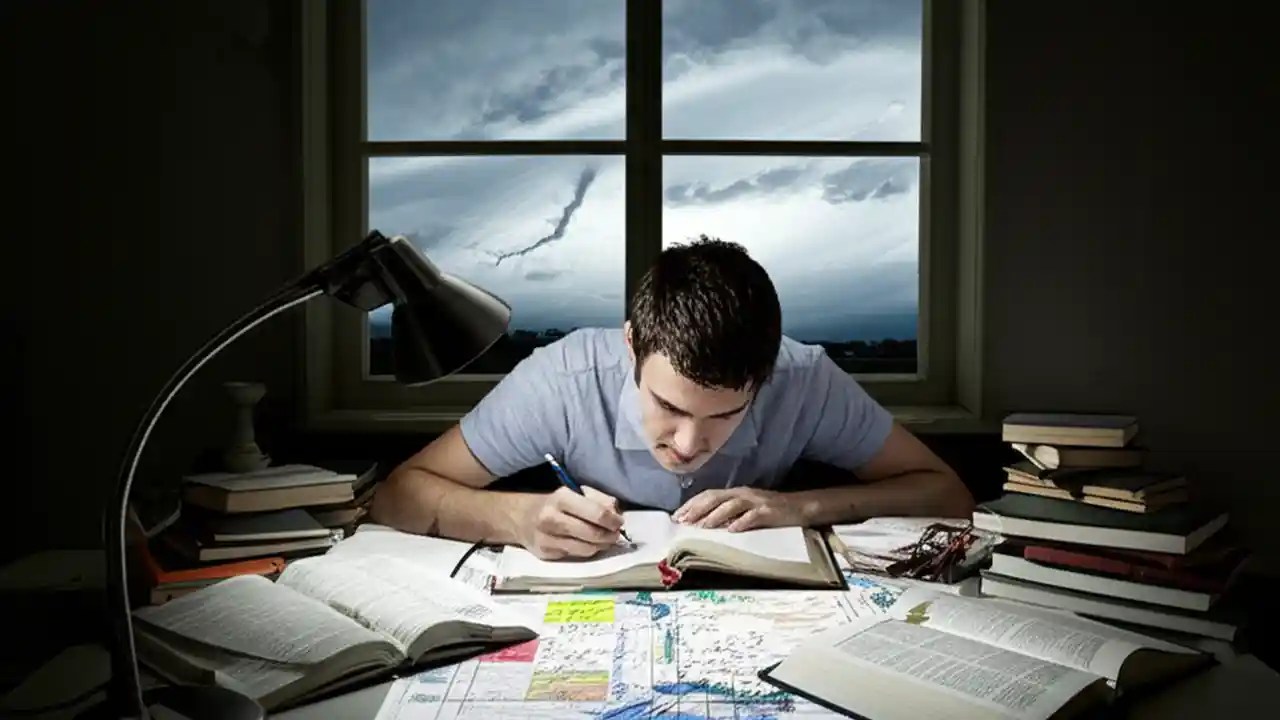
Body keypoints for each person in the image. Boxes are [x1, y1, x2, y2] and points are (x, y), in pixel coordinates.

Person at [369, 236, 974, 559]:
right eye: (671, 406)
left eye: (726, 414)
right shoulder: (559, 380)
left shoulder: (804, 377)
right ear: (632, 347)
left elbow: (947, 493)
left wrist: (803, 507)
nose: (689, 445)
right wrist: (519, 518)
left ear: (767, 377)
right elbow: (396, 496)